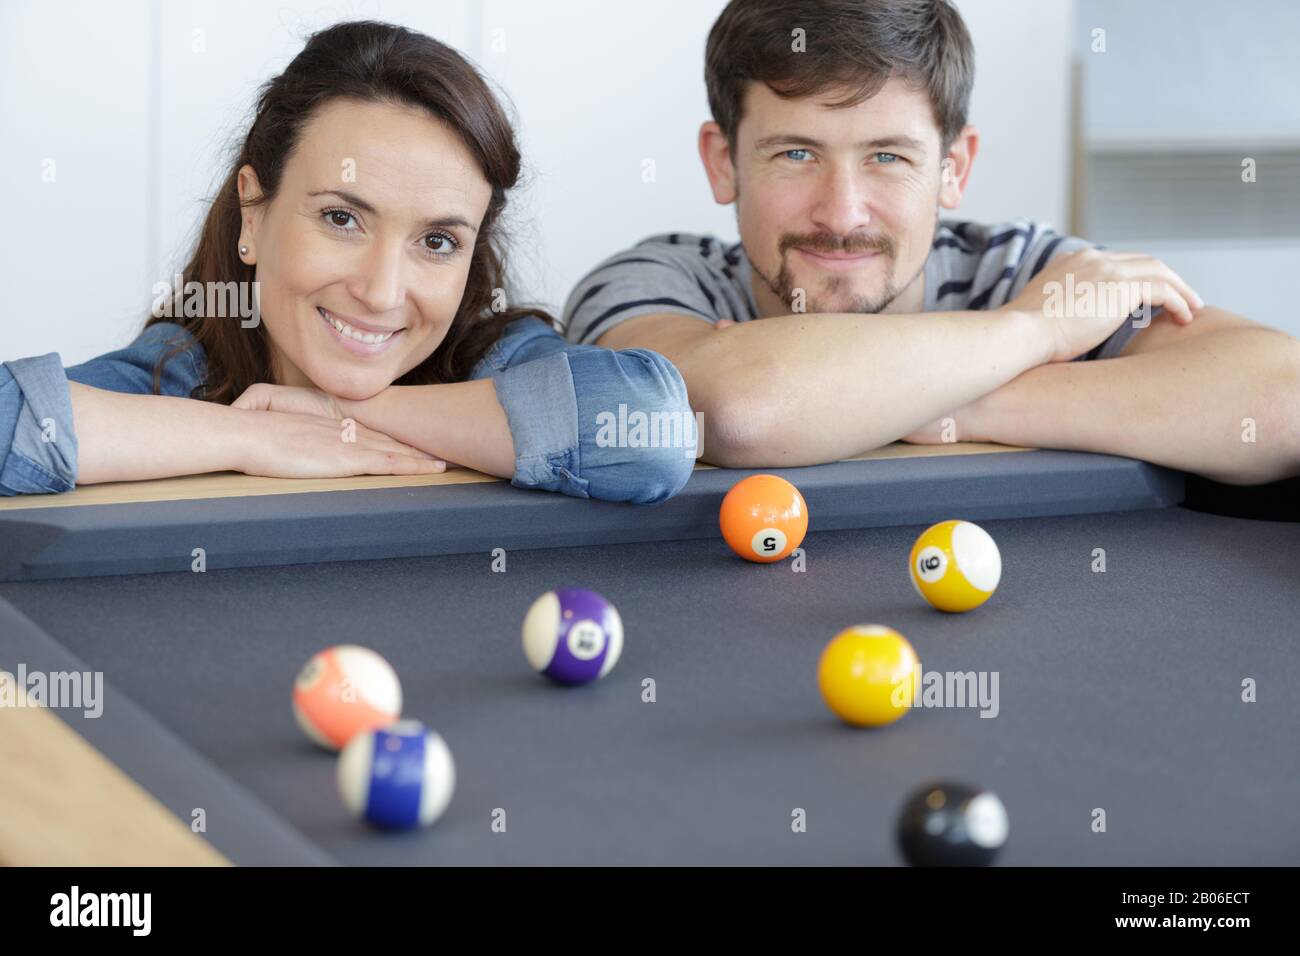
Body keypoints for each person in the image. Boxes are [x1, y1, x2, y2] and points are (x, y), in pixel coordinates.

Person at [563, 0, 1300, 486]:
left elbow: (1282, 400)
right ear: (723, 161)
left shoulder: (1024, 267)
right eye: (795, 154)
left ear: (955, 168)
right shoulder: (648, 280)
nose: (842, 212)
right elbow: (739, 411)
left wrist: (956, 406)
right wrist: (1030, 331)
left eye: (888, 156)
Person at [1, 21, 693, 505]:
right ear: (254, 212)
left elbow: (653, 430)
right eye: (342, 218)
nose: (381, 290)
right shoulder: (178, 372)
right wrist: (249, 436)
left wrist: (340, 411)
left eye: (437, 241)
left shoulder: (497, 361)